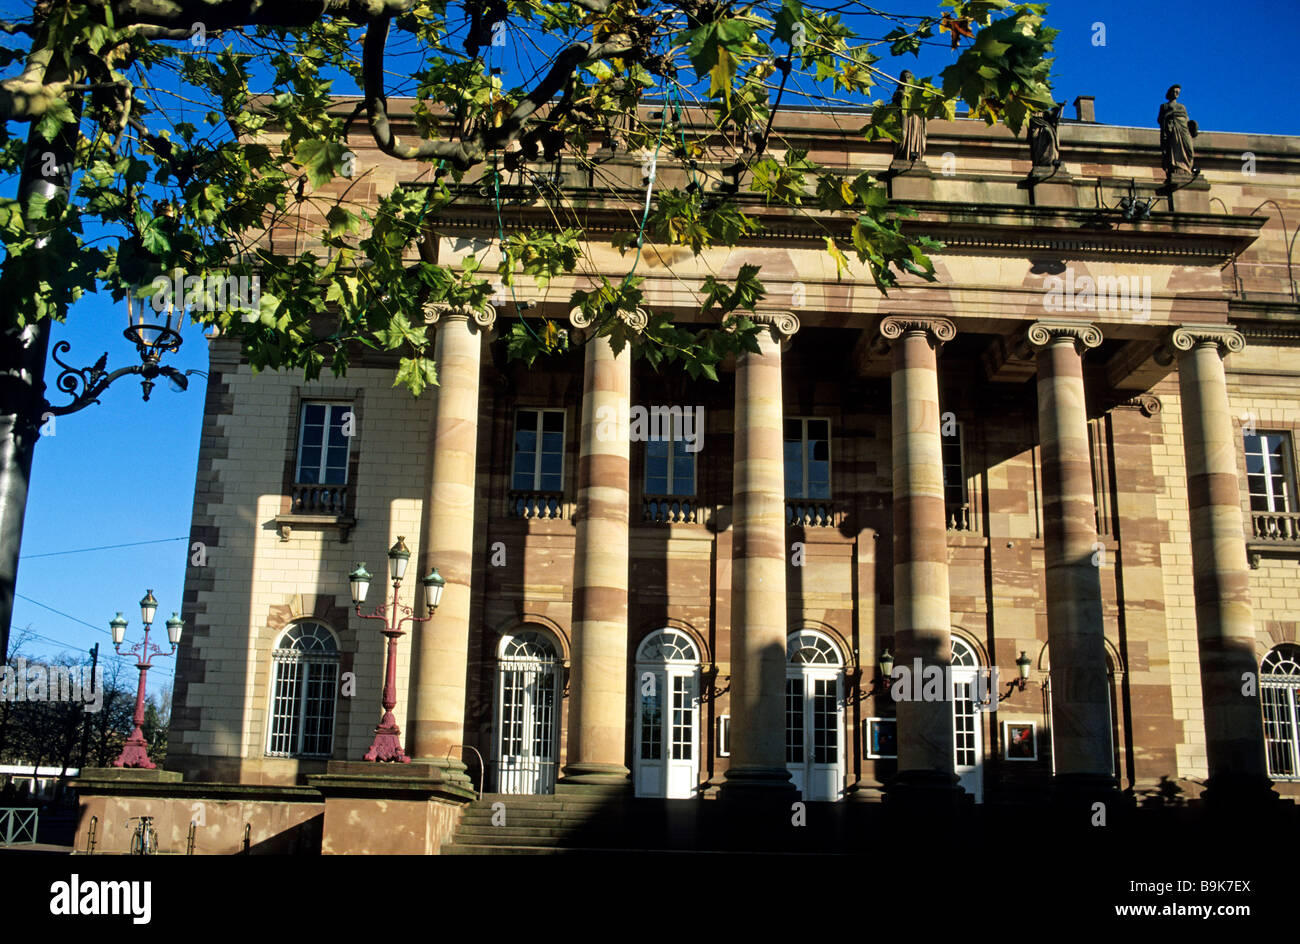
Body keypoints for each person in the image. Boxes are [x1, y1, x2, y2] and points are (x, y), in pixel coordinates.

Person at [1158, 84, 1197, 177]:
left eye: (1178, 93)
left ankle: (1187, 168)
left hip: (1184, 129)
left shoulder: (1182, 107)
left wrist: (1193, 126)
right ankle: (1177, 168)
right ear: (1170, 93)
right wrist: (1170, 115)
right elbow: (1160, 119)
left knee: (1189, 150)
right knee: (1175, 149)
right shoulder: (1164, 106)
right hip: (1173, 129)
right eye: (1175, 92)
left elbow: (1187, 119)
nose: (1176, 94)